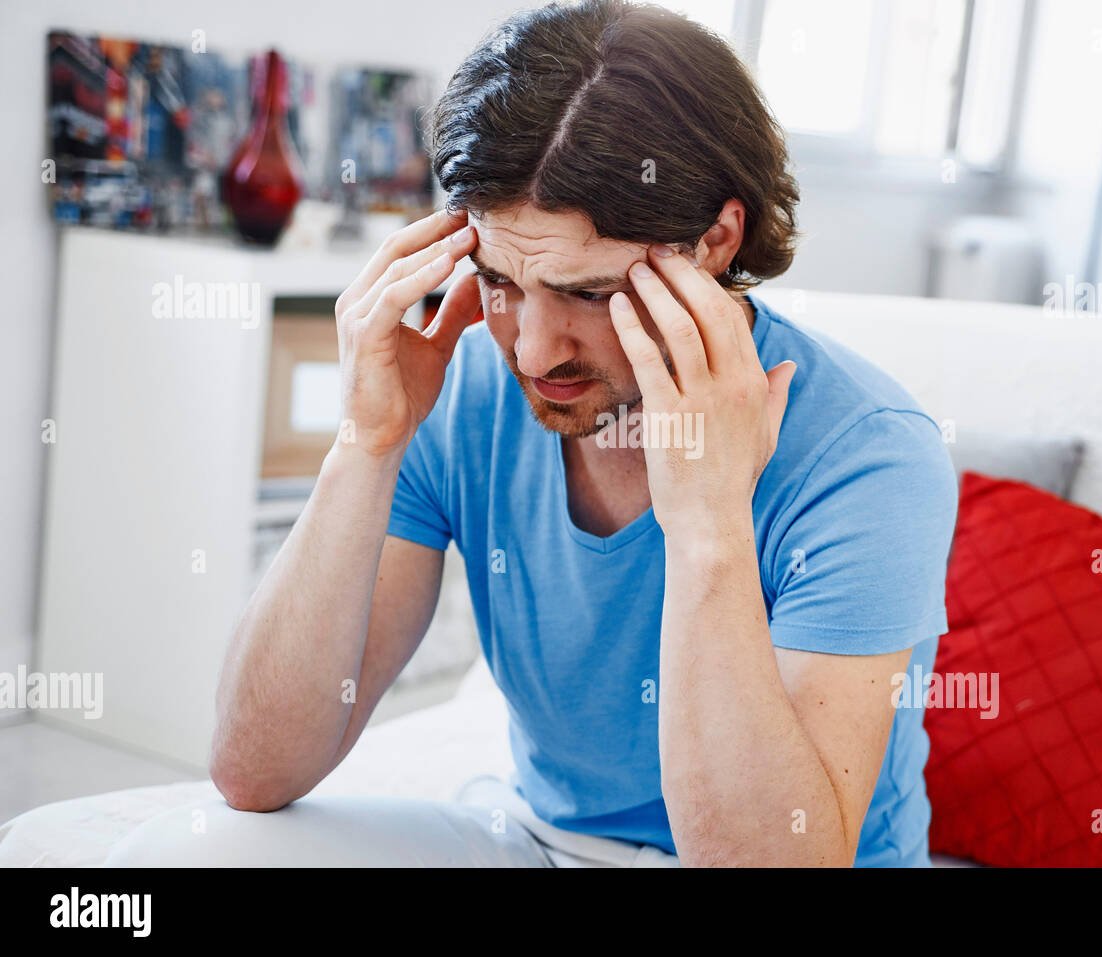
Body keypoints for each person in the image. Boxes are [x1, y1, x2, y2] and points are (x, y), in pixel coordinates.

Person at [107, 0, 957, 868]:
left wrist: (707, 523)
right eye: (499, 276)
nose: (536, 348)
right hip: (538, 840)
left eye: (588, 292)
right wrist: (365, 443)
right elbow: (256, 768)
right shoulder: (469, 383)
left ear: (712, 241)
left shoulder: (867, 455)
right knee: (181, 853)